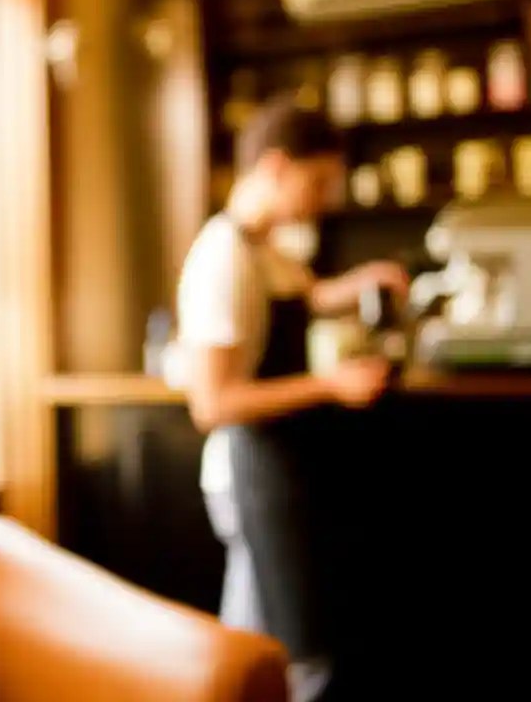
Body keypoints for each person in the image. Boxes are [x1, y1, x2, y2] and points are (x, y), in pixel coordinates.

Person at [174, 93, 408, 701]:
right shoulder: (223, 257)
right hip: (248, 477)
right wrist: (331, 384)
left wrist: (364, 281)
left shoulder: (264, 249)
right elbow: (212, 404)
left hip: (278, 469)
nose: (324, 198)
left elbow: (310, 295)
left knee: (260, 648)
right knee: (288, 654)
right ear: (276, 167)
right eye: (318, 181)